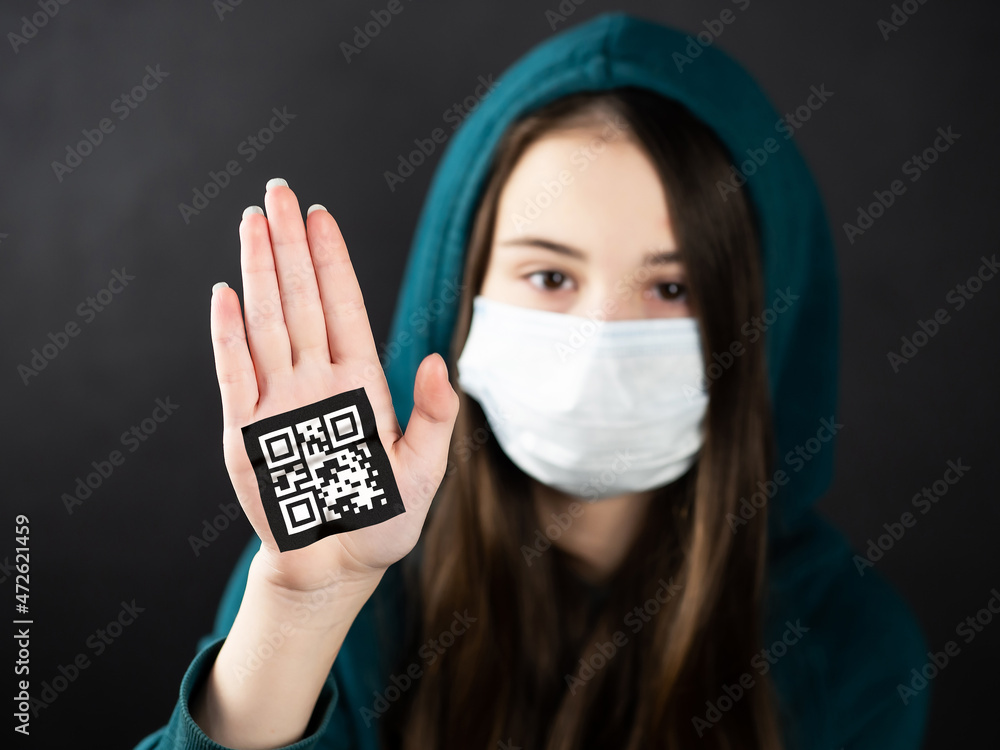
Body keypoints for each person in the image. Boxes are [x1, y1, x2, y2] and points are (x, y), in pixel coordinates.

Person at [134, 11, 929, 750]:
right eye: (549, 277)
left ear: (761, 321)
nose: (597, 342)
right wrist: (304, 609)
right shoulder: (348, 560)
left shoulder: (848, 646)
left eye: (672, 288)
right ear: (462, 291)